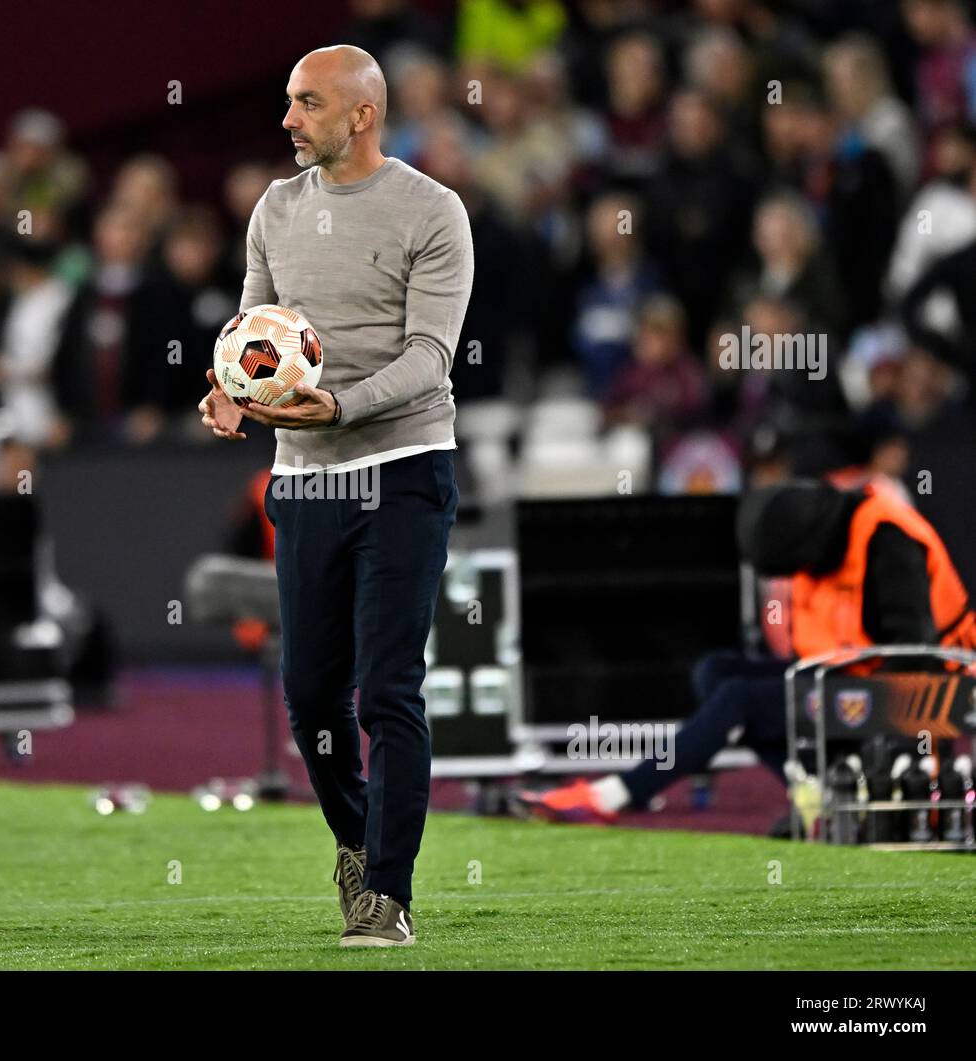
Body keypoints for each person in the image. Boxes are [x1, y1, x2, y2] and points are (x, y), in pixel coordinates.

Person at [197, 44, 473, 947]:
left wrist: (339, 405)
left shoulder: (433, 211)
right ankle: (357, 842)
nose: (287, 119)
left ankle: (388, 894)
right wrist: (228, 388)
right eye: (287, 101)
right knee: (313, 697)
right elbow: (251, 328)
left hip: (404, 470)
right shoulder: (275, 209)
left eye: (306, 104)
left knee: (389, 688)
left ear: (361, 115)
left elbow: (431, 358)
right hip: (306, 480)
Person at [522, 479, 976, 826]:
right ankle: (819, 790)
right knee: (714, 673)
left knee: (739, 701)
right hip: (843, 677)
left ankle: (620, 792)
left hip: (912, 691)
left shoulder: (886, 542)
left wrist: (895, 754)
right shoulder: (820, 532)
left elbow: (914, 655)